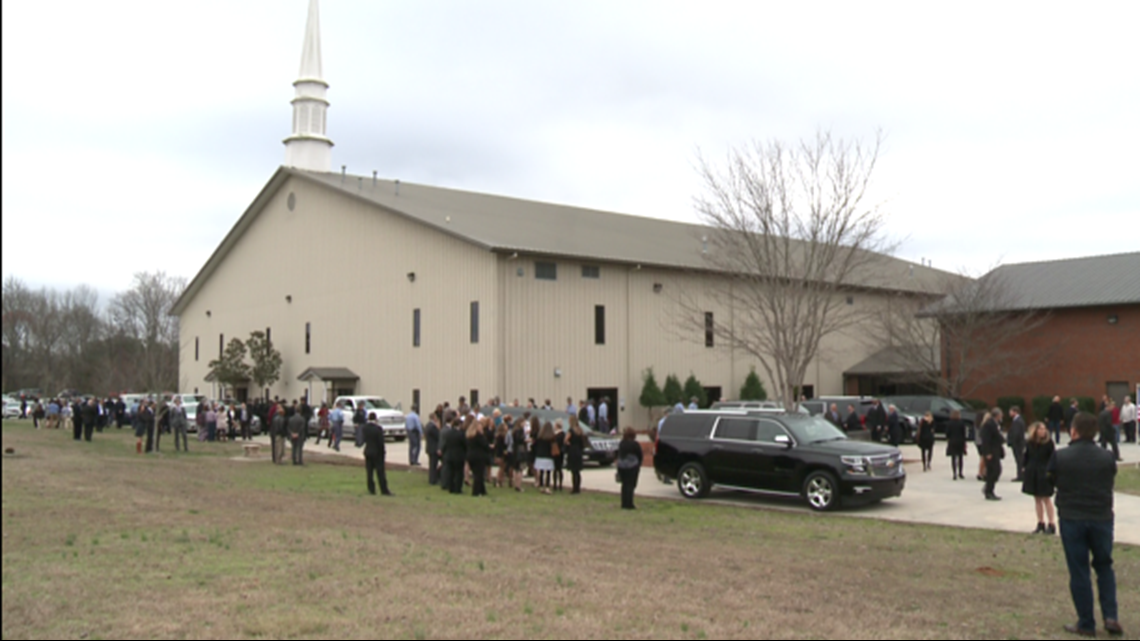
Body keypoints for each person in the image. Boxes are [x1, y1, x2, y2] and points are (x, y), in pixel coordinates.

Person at [1049, 411, 1123, 637]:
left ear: (1073, 431)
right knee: (1104, 566)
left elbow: (1051, 479)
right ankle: (1110, 616)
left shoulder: (1061, 456)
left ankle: (1086, 622)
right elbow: (1111, 477)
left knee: (1079, 570)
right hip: (1101, 517)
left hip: (1072, 517)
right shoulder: (1107, 457)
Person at [1021, 421, 1056, 534]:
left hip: (1044, 472)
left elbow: (1053, 458)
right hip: (1033, 471)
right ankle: (1040, 522)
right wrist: (1024, 467)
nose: (1043, 431)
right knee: (1037, 499)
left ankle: (1051, 523)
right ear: (1035, 431)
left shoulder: (1049, 443)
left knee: (1046, 498)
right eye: (1040, 429)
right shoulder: (1030, 442)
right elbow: (1026, 456)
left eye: (1044, 429)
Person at [362, 412, 392, 496]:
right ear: (375, 419)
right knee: (380, 472)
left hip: (368, 452)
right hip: (377, 453)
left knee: (369, 472)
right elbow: (380, 443)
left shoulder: (365, 428)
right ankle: (384, 490)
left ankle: (371, 489)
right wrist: (383, 452)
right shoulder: (378, 429)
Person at [979, 407, 1006, 500]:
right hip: (991, 451)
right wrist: (987, 452)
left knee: (996, 471)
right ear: (997, 415)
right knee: (994, 471)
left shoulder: (995, 424)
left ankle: (989, 488)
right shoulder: (988, 424)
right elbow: (985, 440)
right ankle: (988, 491)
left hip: (996, 450)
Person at [616, 427, 643, 510]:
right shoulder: (635, 444)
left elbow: (618, 454)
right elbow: (640, 455)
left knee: (624, 485)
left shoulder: (622, 443)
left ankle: (624, 503)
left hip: (622, 466)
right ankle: (629, 503)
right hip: (632, 466)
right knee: (630, 485)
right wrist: (639, 465)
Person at [467, 417, 490, 497]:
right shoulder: (478, 436)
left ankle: (482, 490)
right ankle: (476, 492)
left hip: (471, 456)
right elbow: (485, 445)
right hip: (479, 457)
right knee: (479, 475)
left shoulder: (469, 435)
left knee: (477, 473)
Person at [944, 409, 968, 480]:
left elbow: (947, 433)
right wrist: (964, 442)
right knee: (960, 458)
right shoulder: (961, 423)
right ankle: (960, 473)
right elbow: (964, 433)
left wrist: (948, 438)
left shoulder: (949, 423)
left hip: (952, 441)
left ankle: (954, 473)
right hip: (960, 441)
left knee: (953, 458)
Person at [533, 422, 556, 495]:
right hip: (548, 456)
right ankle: (547, 487)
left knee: (541, 472)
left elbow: (535, 446)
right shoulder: (552, 438)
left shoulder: (540, 437)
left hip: (540, 456)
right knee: (548, 472)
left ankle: (542, 486)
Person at [566, 415, 586, 494]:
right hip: (579, 451)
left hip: (573, 451)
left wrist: (568, 444)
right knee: (578, 471)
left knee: (573, 471)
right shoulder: (580, 430)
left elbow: (566, 440)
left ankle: (574, 488)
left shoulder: (571, 430)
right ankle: (578, 487)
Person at [1008, 406, 1027, 482]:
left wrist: (1012, 441)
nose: (1009, 413)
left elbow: (1017, 433)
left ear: (1015, 412)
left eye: (1011, 411)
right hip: (1018, 444)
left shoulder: (1018, 421)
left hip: (1018, 444)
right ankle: (1020, 474)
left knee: (1019, 460)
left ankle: (1020, 476)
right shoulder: (1017, 420)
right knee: (1019, 460)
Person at [425, 406, 442, 485]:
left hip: (430, 448)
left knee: (432, 465)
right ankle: (433, 479)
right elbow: (438, 436)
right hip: (433, 448)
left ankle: (432, 478)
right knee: (433, 465)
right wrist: (438, 428)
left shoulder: (428, 426)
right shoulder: (433, 427)